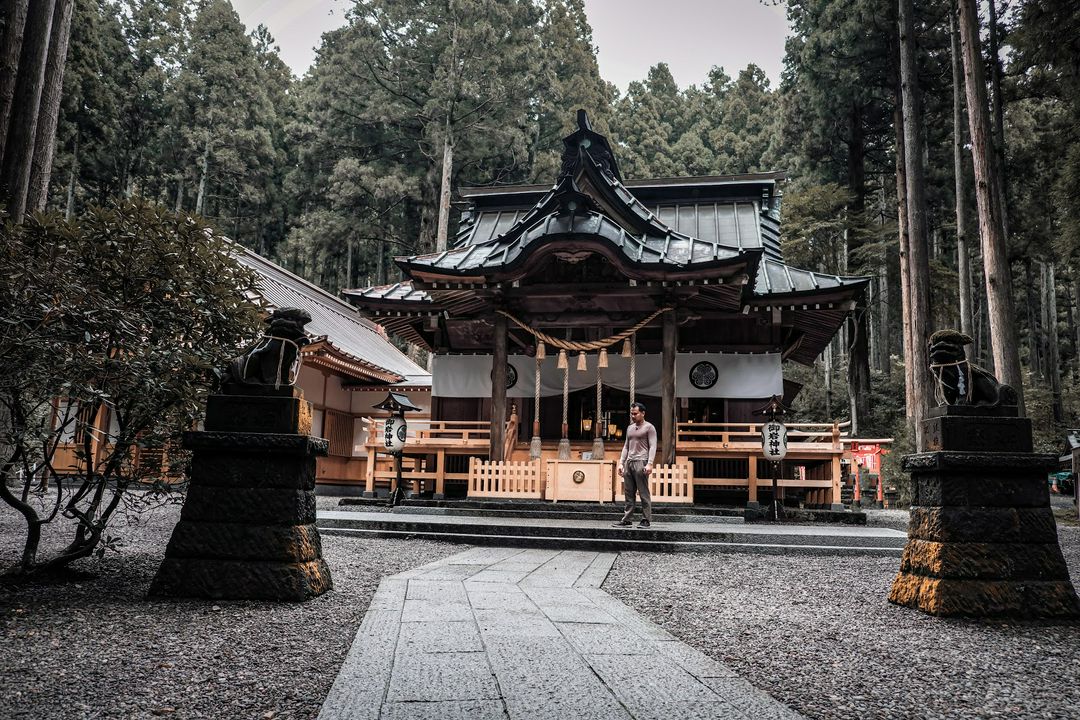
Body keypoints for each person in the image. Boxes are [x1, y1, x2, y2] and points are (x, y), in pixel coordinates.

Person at [613, 401, 656, 528]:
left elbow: (653, 446)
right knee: (628, 492)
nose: (633, 416)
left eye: (635, 414)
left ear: (643, 413)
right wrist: (621, 462)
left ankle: (646, 519)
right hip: (629, 462)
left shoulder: (649, 427)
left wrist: (650, 463)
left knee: (643, 492)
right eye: (631, 414)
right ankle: (627, 519)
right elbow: (626, 446)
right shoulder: (630, 428)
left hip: (641, 461)